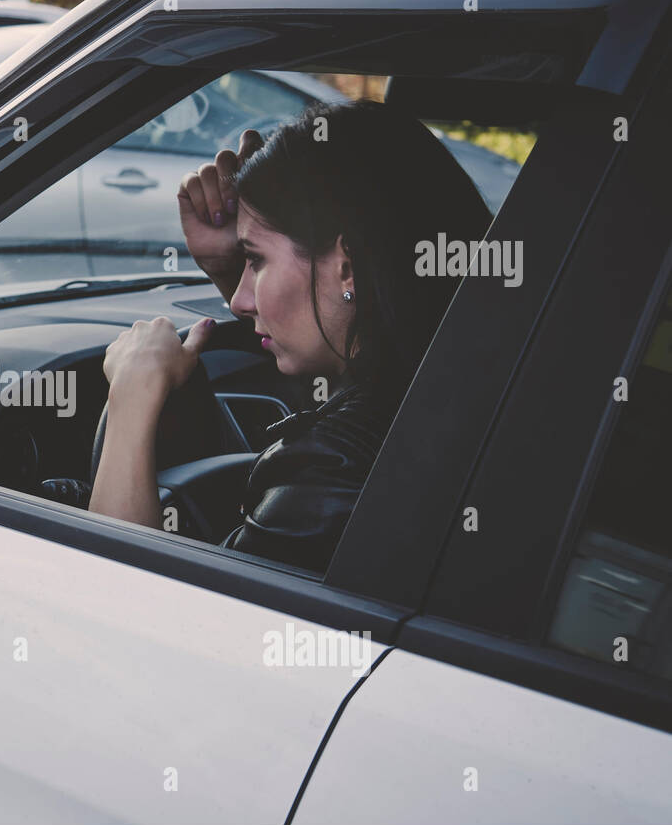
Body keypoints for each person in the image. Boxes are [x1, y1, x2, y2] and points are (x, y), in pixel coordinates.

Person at [87, 100, 492, 572]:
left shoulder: (331, 472)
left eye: (256, 261)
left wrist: (133, 395)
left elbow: (125, 612)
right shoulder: (454, 384)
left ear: (347, 266)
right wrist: (231, 262)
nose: (239, 302)